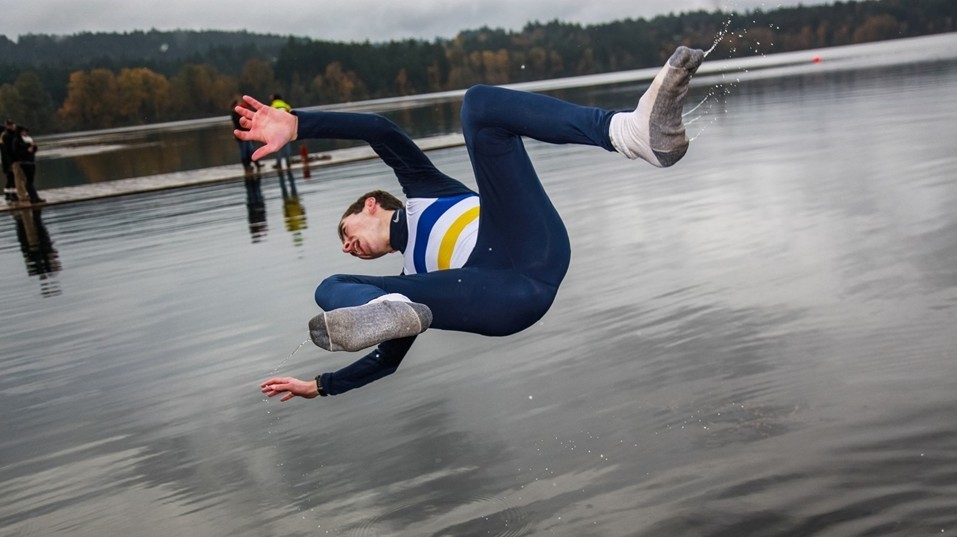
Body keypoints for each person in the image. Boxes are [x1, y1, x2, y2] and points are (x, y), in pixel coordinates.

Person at [246, 46, 705, 402]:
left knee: (480, 105)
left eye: (346, 233)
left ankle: (632, 133)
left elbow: (379, 130)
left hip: (530, 247)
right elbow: (386, 361)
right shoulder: (412, 288)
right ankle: (371, 309)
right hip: (496, 298)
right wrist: (322, 385)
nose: (349, 246)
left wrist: (297, 124)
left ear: (370, 205)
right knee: (332, 284)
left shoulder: (425, 187)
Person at [12, 126, 43, 204]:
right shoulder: (17, 141)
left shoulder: (28, 139)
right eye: (23, 131)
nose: (25, 133)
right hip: (24, 162)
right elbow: (17, 152)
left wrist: (33, 147)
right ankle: (33, 197)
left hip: (31, 161)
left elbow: (34, 149)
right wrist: (27, 150)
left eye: (25, 131)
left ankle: (35, 197)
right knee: (29, 180)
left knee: (31, 180)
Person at [230, 99, 257, 171]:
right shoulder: (235, 114)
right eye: (237, 105)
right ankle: (247, 166)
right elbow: (239, 123)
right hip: (241, 136)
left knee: (250, 150)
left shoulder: (238, 114)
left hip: (247, 134)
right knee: (244, 151)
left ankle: (252, 164)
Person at [270, 93, 294, 169]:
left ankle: (278, 163)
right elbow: (292, 115)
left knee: (277, 147)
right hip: (286, 129)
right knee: (287, 146)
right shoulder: (286, 106)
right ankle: (288, 162)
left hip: (277, 130)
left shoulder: (272, 107)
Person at [2, 120, 17, 202]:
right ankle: (11, 195)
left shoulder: (11, 135)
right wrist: (10, 162)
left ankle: (10, 194)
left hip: (10, 160)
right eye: (11, 125)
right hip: (8, 161)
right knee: (11, 178)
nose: (13, 127)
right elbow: (7, 150)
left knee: (12, 178)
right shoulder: (6, 136)